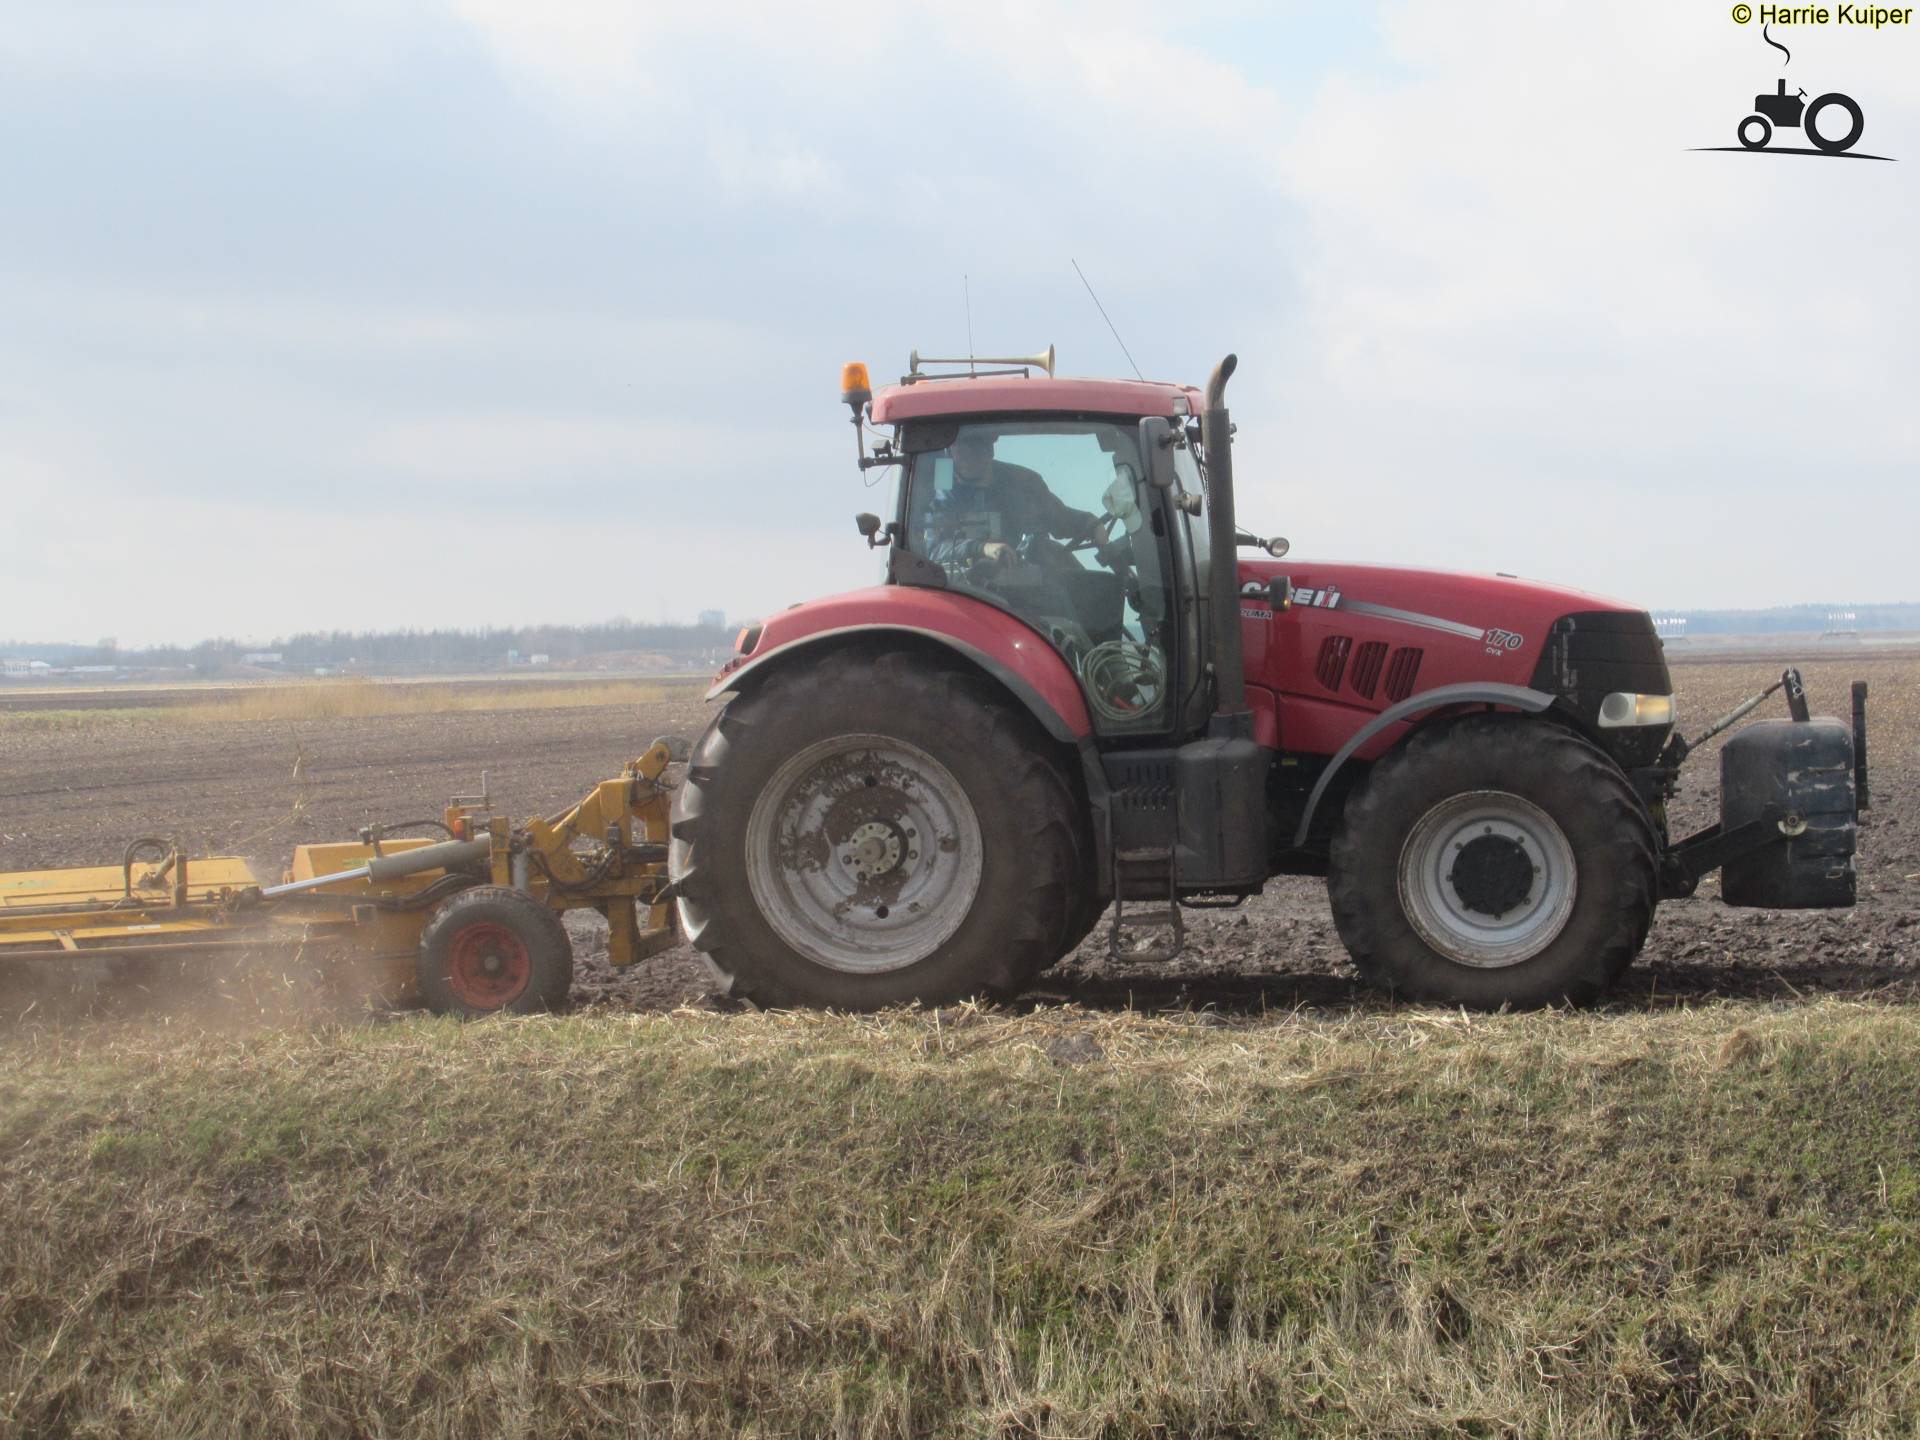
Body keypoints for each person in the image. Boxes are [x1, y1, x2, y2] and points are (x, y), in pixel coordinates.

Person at [922, 432, 1106, 573]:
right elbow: (934, 549)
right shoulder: (937, 490)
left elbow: (1059, 518)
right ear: (950, 449)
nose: (972, 453)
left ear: (991, 448)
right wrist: (981, 548)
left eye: (980, 445)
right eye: (963, 446)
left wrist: (1089, 523)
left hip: (1028, 590)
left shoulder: (1022, 483)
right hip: (963, 592)